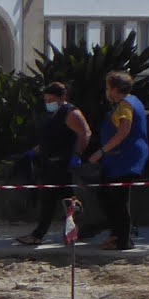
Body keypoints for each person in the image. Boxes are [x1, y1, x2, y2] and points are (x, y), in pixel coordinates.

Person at [14, 82, 93, 246]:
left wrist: (77, 155)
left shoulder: (70, 112)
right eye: (46, 99)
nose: (48, 102)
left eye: (51, 99)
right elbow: (50, 137)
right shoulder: (52, 114)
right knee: (63, 201)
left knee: (54, 200)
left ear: (62, 97)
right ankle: (70, 233)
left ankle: (40, 235)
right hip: (49, 162)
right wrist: (34, 151)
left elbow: (85, 133)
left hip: (62, 164)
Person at [81, 70, 149, 251]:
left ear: (115, 88)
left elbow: (124, 131)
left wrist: (101, 152)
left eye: (108, 87)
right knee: (109, 197)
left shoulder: (126, 105)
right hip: (119, 158)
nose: (107, 91)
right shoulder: (132, 102)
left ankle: (122, 239)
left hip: (124, 158)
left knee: (118, 199)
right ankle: (116, 234)